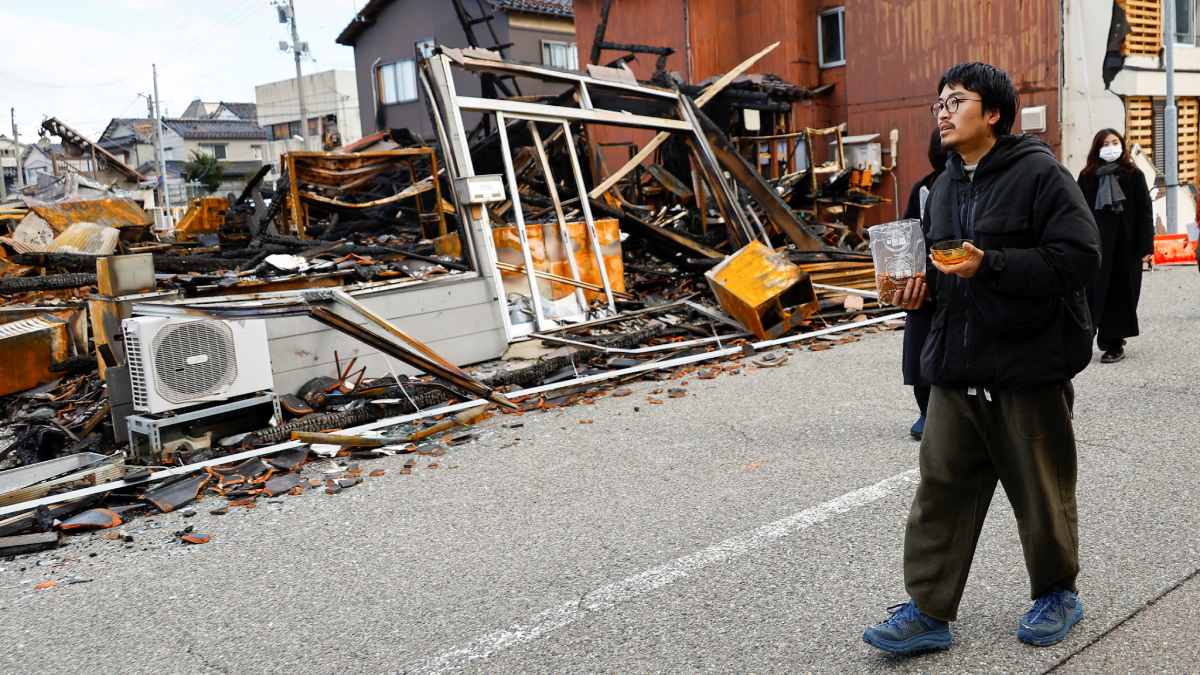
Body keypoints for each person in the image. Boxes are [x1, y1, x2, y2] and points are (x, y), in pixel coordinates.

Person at [863, 62, 1101, 655]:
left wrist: (989, 264)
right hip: (957, 365)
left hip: (1026, 365)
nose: (942, 113)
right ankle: (927, 610)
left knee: (1041, 491)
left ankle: (1057, 594)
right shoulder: (942, 187)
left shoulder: (1040, 175)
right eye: (939, 103)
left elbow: (1079, 257)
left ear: (993, 113)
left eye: (957, 101)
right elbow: (944, 276)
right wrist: (917, 292)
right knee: (939, 490)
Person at [1075, 129, 1154, 363]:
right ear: (1097, 148)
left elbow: (1144, 212)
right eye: (1105, 144)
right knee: (1091, 293)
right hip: (1096, 246)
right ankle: (1083, 340)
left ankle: (1114, 343)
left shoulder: (1134, 175)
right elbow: (1077, 211)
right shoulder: (1087, 177)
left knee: (1121, 293)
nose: (1111, 147)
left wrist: (1146, 247)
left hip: (1126, 248)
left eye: (1114, 142)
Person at [901, 129, 948, 440]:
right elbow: (907, 232)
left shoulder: (975, 184)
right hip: (924, 279)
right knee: (918, 345)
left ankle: (950, 413)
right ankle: (925, 409)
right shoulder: (923, 186)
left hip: (959, 276)